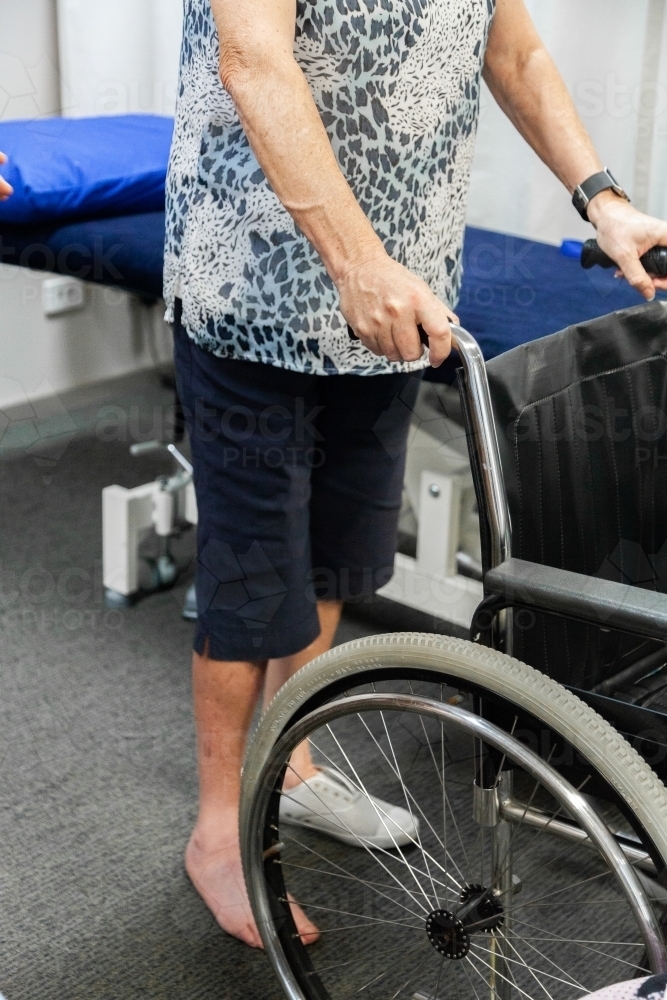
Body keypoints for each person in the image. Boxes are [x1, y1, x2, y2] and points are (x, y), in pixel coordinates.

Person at [163, 0, 667, 949]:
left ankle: (294, 767)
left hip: (401, 300)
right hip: (256, 286)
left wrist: (600, 198)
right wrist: (355, 264)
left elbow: (512, 52)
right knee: (253, 580)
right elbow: (253, 61)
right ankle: (219, 830)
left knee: (336, 558)